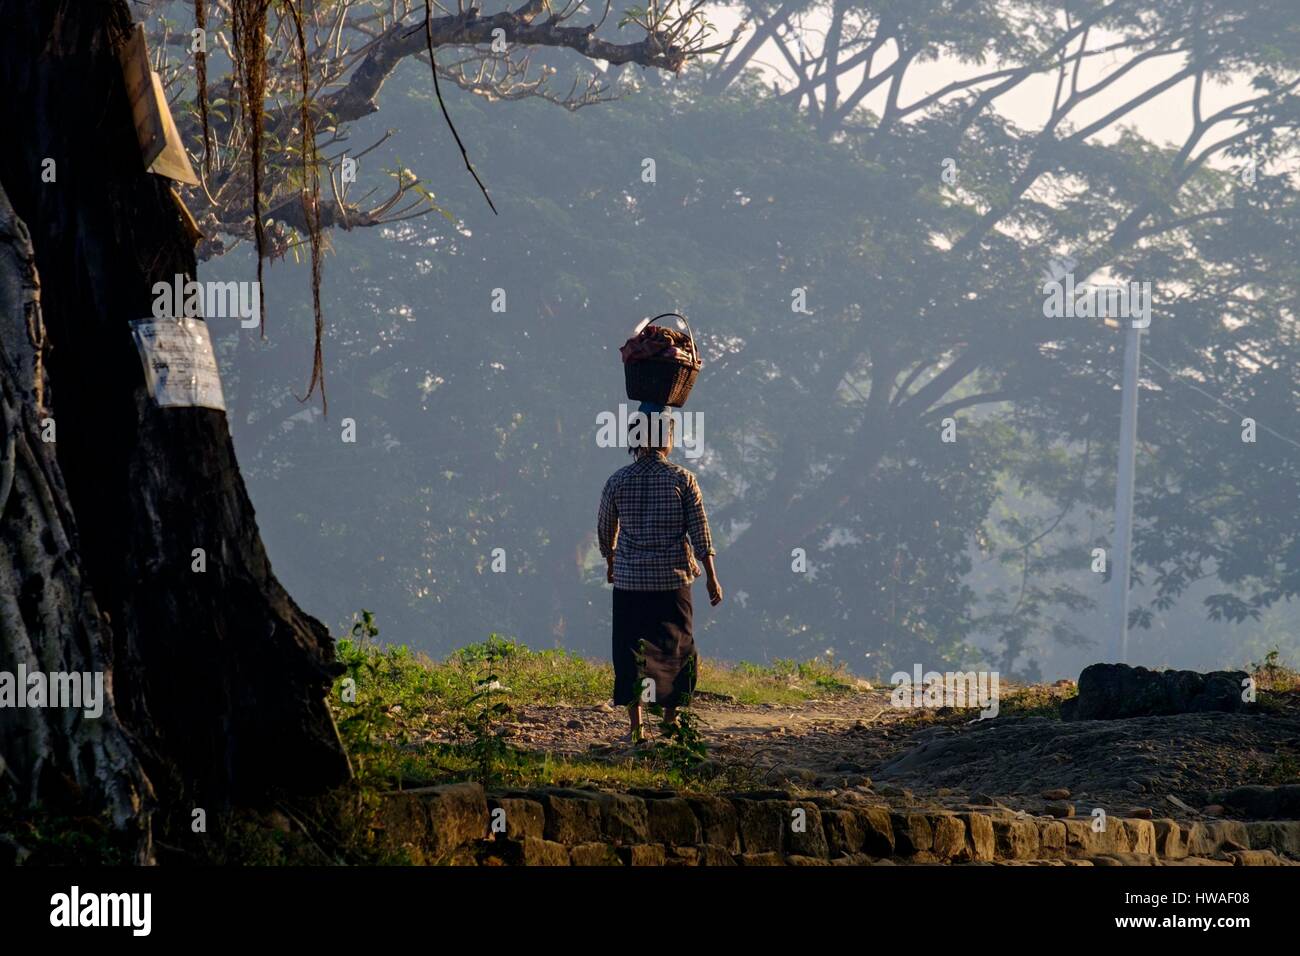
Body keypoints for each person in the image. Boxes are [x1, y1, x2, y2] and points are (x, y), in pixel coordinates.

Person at [596, 401, 722, 744]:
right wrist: (711, 575)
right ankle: (671, 722)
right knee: (677, 648)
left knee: (631, 650)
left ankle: (636, 729)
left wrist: (611, 562)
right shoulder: (683, 479)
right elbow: (701, 532)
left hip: (630, 582)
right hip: (673, 581)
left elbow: (606, 530)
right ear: (667, 437)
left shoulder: (617, 481)